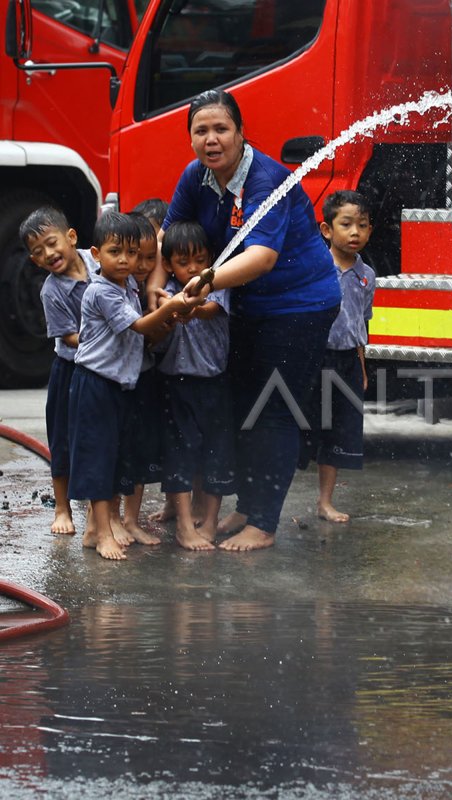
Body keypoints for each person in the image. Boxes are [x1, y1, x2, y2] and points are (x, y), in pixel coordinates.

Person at [151, 88, 340, 552]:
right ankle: (247, 504)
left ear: (240, 133)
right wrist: (159, 292)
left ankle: (265, 522)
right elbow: (165, 237)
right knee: (241, 407)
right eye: (201, 131)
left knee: (273, 410)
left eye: (221, 129)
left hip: (300, 305)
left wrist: (204, 284)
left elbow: (261, 257)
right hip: (247, 308)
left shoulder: (267, 179)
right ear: (190, 138)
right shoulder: (195, 176)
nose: (211, 140)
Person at [69, 212, 196, 560]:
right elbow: (139, 327)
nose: (126, 260)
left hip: (116, 386)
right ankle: (103, 531)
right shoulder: (102, 291)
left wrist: (169, 316)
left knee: (113, 456)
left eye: (132, 254)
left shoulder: (125, 286)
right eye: (115, 252)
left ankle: (96, 531)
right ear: (96, 254)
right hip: (95, 384)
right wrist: (173, 305)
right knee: (99, 458)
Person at [20, 206, 100, 536]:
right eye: (38, 252)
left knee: (100, 437)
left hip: (104, 369)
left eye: (52, 243)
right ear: (34, 261)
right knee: (63, 439)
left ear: (71, 237)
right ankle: (63, 507)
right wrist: (110, 337)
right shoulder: (51, 291)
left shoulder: (99, 261)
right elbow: (68, 336)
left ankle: (102, 509)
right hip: (71, 369)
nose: (48, 253)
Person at [157, 221, 235, 551]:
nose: (192, 268)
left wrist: (184, 306)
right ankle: (185, 525)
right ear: (168, 264)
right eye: (183, 261)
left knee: (216, 454)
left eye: (200, 259)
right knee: (180, 453)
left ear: (211, 259)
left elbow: (210, 310)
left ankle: (212, 521)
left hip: (215, 383)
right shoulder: (163, 292)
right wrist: (169, 303)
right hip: (176, 384)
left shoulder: (217, 286)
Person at [302, 190, 376, 523]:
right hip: (314, 358)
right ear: (326, 229)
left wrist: (361, 367)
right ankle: (257, 504)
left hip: (346, 361)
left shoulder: (366, 275)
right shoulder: (316, 267)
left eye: (362, 225)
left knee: (335, 433)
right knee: (297, 429)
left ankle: (325, 501)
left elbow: (362, 323)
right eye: (346, 224)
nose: (355, 232)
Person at [116, 212, 168, 545]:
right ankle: (108, 518)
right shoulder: (112, 288)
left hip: (144, 377)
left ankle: (131, 520)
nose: (142, 264)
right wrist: (169, 313)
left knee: (138, 451)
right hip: (116, 382)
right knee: (114, 451)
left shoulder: (148, 288)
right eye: (136, 256)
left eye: (151, 258)